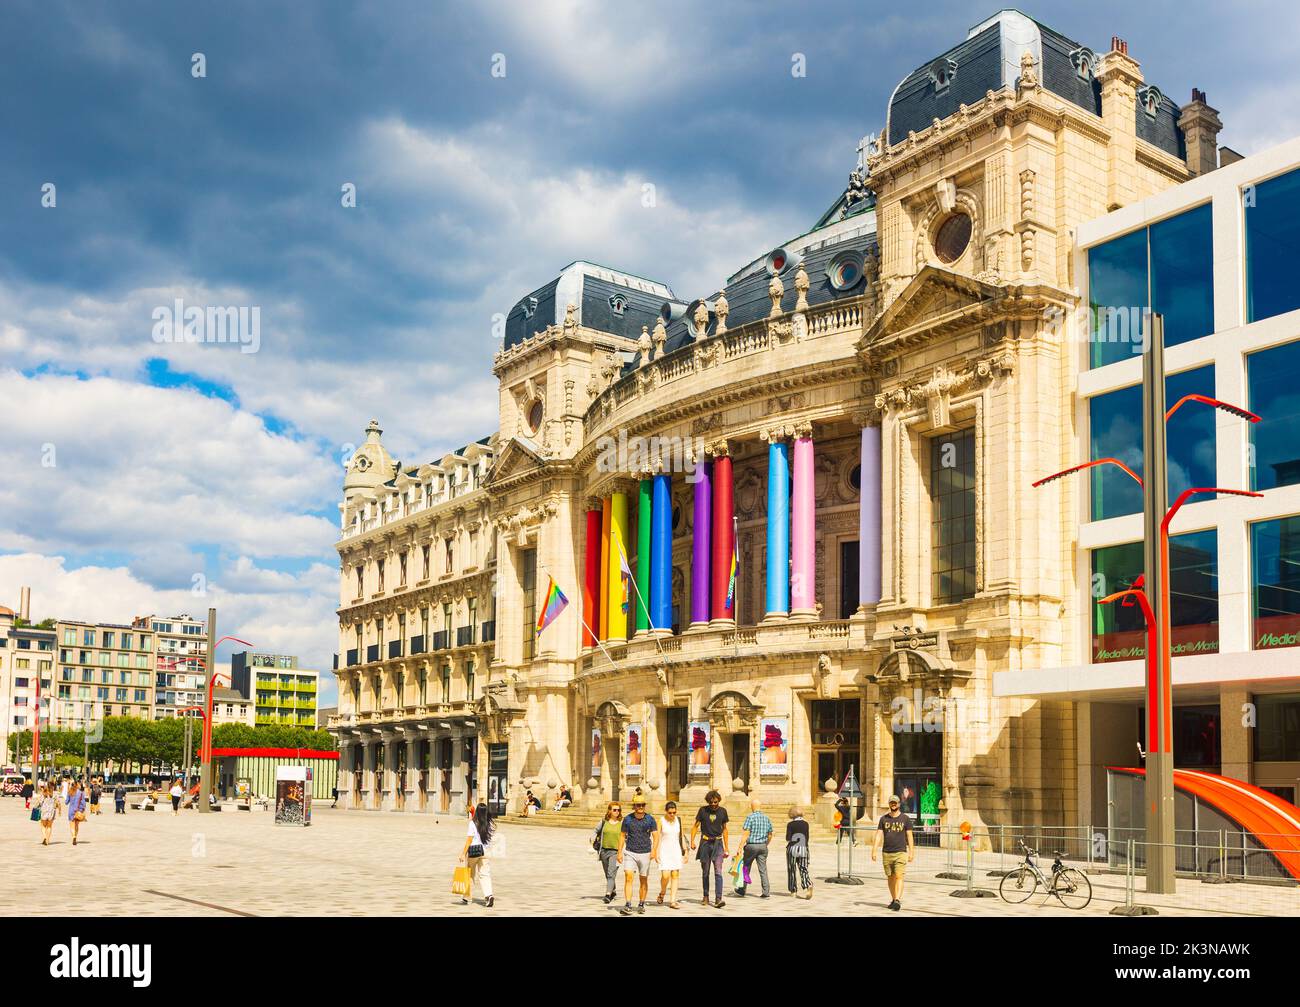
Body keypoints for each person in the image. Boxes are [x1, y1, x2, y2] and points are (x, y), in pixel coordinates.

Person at [871, 794, 915, 911]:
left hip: (900, 852)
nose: (893, 804)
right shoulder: (883, 819)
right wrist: (874, 850)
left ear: (899, 804)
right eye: (891, 803)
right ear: (889, 804)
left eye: (895, 803)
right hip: (887, 852)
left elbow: (909, 836)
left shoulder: (905, 819)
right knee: (890, 877)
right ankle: (894, 899)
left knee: (899, 876)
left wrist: (911, 852)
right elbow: (879, 835)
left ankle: (897, 900)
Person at [617, 796, 658, 915]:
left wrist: (654, 850)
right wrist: (619, 852)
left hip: (645, 852)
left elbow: (656, 836)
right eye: (638, 805)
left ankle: (641, 904)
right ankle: (628, 904)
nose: (640, 807)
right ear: (634, 806)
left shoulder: (650, 819)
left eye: (642, 805)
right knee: (628, 876)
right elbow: (622, 835)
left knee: (643, 879)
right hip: (630, 852)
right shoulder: (628, 819)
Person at [690, 789, 730, 908]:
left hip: (718, 843)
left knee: (718, 871)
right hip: (705, 843)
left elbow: (725, 829)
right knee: (705, 872)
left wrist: (727, 847)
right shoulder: (703, 810)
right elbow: (695, 826)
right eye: (711, 802)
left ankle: (718, 898)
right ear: (708, 801)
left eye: (715, 802)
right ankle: (706, 896)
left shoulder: (723, 811)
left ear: (719, 801)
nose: (713, 804)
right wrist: (692, 841)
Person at [457, 802, 495, 908]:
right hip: (485, 851)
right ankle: (489, 895)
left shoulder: (473, 823)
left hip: (474, 851)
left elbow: (469, 840)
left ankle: (467, 897)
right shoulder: (489, 823)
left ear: (477, 811)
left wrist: (463, 854)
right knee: (485, 874)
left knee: (469, 873)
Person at [734, 796, 773, 898]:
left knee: (746, 867)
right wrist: (766, 844)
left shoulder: (750, 817)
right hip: (763, 846)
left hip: (751, 846)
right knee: (763, 869)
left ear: (752, 806)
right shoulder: (766, 818)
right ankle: (766, 891)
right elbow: (770, 834)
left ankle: (742, 889)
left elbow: (746, 833)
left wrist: (740, 847)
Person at [655, 800, 686, 909]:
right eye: (670, 813)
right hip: (664, 850)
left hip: (676, 850)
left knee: (675, 875)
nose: (672, 814)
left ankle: (673, 900)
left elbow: (681, 836)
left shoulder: (679, 820)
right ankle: (662, 892)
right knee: (665, 875)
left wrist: (685, 851)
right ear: (666, 811)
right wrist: (656, 852)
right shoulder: (661, 821)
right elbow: (657, 837)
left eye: (674, 812)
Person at [593, 801, 623, 904]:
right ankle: (613, 891)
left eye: (618, 810)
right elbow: (595, 831)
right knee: (608, 874)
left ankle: (608, 894)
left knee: (611, 873)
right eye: (614, 810)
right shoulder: (603, 822)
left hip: (615, 852)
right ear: (609, 811)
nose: (617, 812)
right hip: (604, 851)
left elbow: (626, 837)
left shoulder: (622, 823)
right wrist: (592, 840)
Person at [786, 806, 813, 899]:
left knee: (792, 869)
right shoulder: (806, 824)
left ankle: (793, 891)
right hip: (803, 847)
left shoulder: (790, 824)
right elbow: (807, 838)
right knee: (803, 868)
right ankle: (808, 885)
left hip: (792, 849)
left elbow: (788, 838)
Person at [67, 781, 87, 846]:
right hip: (78, 811)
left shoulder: (69, 792)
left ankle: (73, 837)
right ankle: (75, 836)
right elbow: (84, 803)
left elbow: (66, 802)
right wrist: (82, 810)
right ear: (77, 785)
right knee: (76, 825)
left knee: (72, 825)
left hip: (71, 811)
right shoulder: (81, 793)